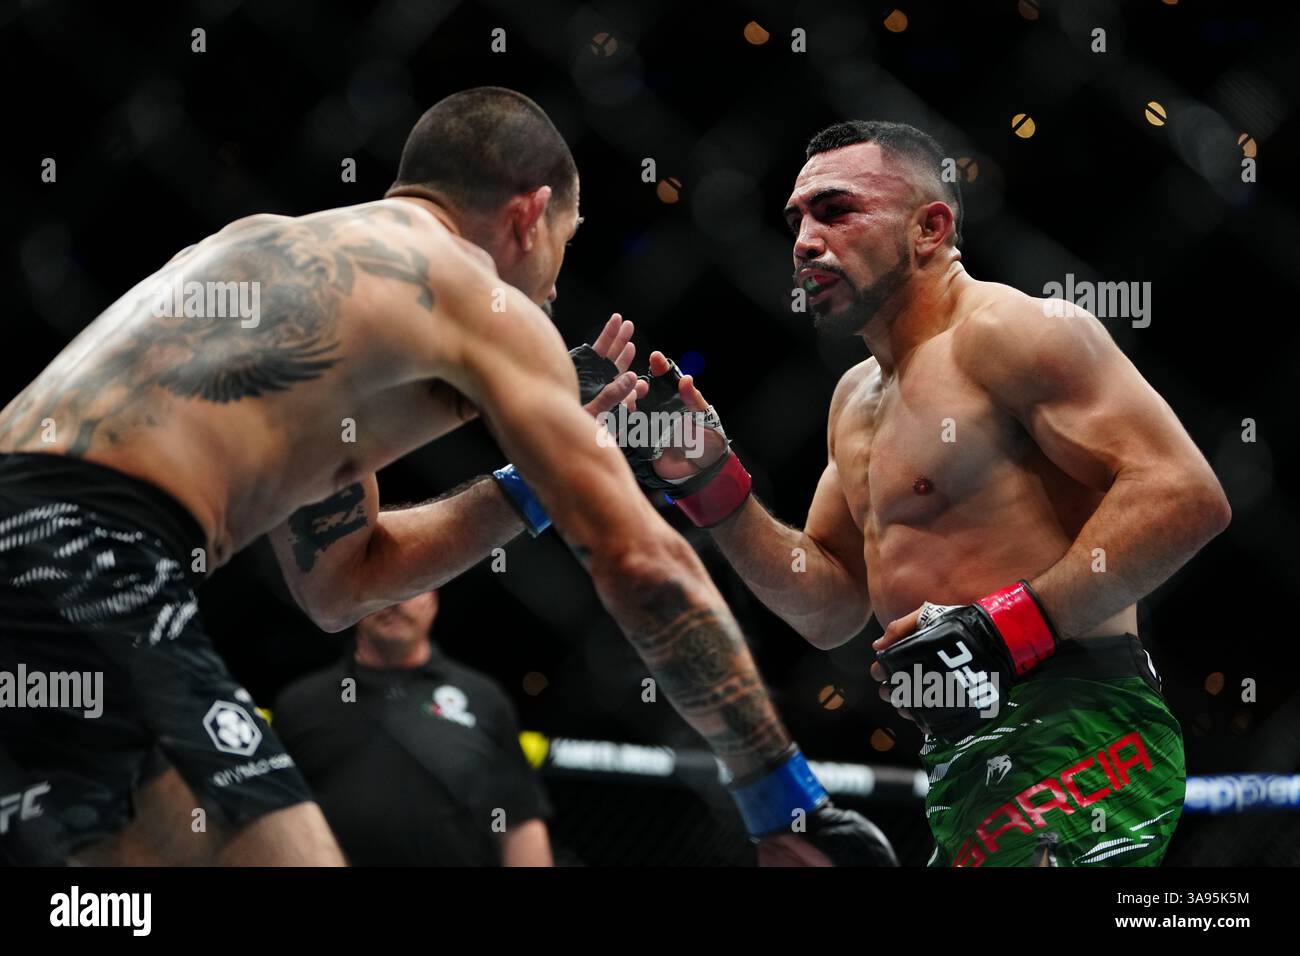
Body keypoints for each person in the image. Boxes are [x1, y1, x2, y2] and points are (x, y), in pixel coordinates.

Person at [0, 88, 893, 866]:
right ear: (528, 214)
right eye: (562, 247)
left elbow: (340, 583)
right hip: (86, 561)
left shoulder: (271, 260)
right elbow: (643, 564)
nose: (550, 293)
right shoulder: (478, 290)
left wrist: (529, 482)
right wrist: (782, 794)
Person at [623, 120, 1230, 866]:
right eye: (796, 220)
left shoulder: (1013, 330)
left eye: (836, 210)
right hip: (962, 760)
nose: (806, 241)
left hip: (1080, 728)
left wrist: (1008, 628)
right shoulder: (854, 399)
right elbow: (830, 605)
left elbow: (1186, 493)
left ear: (929, 227)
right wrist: (714, 488)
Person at [274, 591, 552, 866]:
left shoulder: (483, 699)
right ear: (354, 598)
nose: (396, 601)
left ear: (433, 598)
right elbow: (274, 820)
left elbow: (520, 819)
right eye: (385, 586)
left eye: (412, 587)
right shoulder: (301, 704)